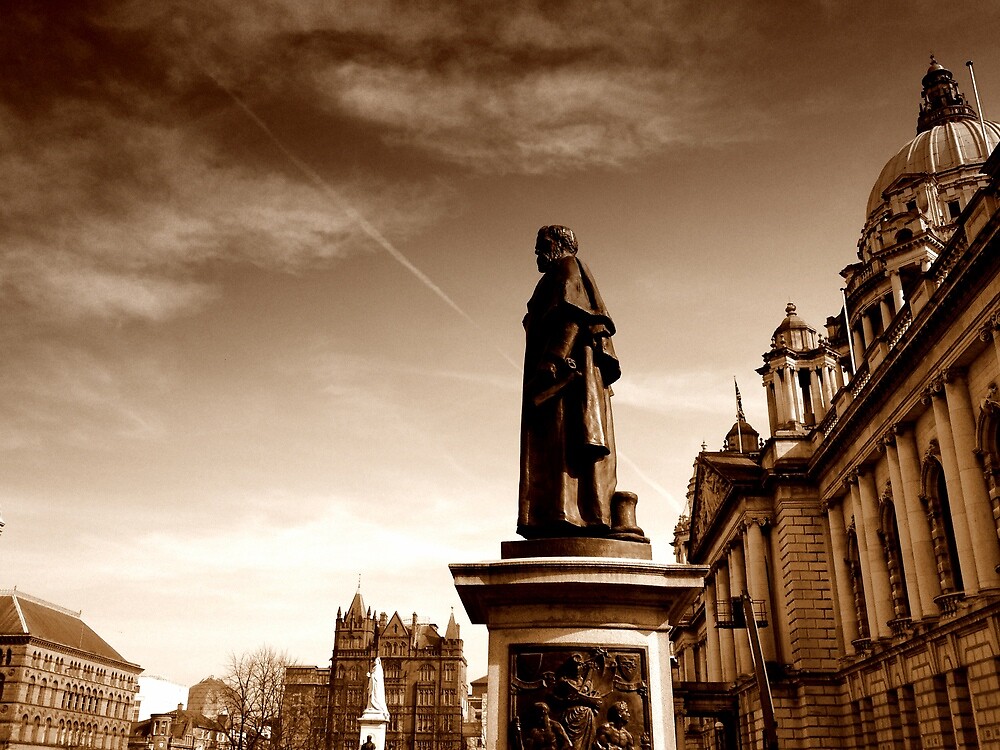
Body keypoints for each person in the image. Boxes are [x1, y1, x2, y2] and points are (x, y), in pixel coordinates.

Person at [518, 225, 620, 539]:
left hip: (566, 379)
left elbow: (573, 315)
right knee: (560, 446)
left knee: (565, 443)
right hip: (562, 377)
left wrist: (553, 358)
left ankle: (570, 515)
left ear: (559, 244)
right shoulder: (554, 276)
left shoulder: (567, 267)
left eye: (542, 244)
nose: (537, 252)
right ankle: (566, 514)